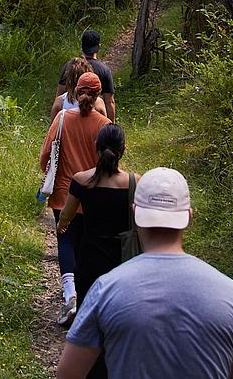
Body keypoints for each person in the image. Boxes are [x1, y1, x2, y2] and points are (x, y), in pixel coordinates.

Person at [56, 167, 233, 379]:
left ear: (135, 212)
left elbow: (68, 374)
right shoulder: (227, 291)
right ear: (189, 216)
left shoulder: (106, 288)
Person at [56, 124, 133, 379]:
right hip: (123, 262)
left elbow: (66, 216)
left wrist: (63, 224)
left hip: (90, 259)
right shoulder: (134, 182)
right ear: (123, 150)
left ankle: (91, 368)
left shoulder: (81, 180)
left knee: (91, 319)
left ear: (96, 148)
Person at [39, 72, 112, 327]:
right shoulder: (104, 125)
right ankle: (86, 298)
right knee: (84, 242)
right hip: (93, 194)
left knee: (66, 240)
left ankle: (70, 294)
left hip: (63, 193)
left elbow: (44, 158)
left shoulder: (61, 119)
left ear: (76, 91)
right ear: (98, 95)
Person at [58, 30, 116, 121]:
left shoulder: (70, 66)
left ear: (82, 46)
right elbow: (109, 102)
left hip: (68, 118)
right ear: (99, 46)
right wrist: (112, 126)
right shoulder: (104, 70)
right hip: (94, 116)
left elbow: (60, 93)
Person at [50, 56, 108, 122]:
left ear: (69, 79)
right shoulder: (98, 103)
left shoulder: (60, 102)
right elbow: (105, 129)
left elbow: (53, 128)